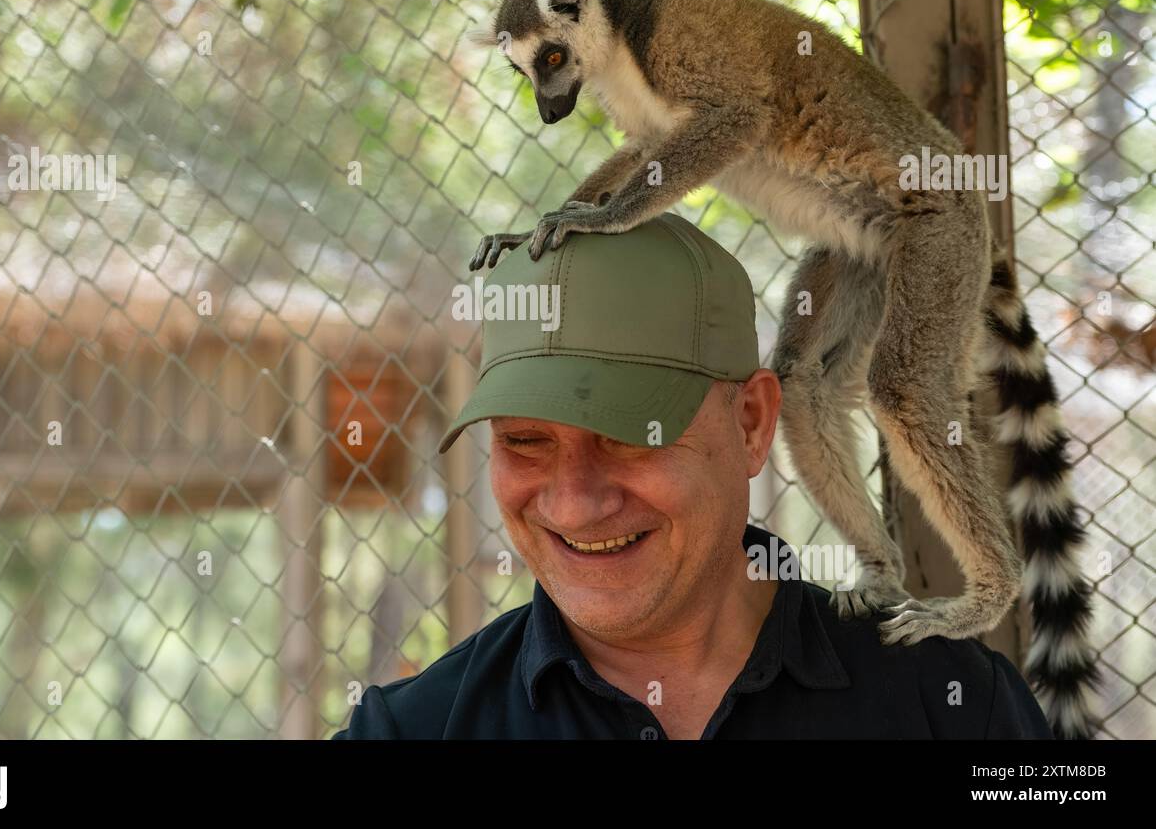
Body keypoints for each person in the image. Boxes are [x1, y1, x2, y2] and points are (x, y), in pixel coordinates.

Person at [332, 213, 1052, 739]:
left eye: (627, 437)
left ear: (751, 423)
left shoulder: (950, 703)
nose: (575, 503)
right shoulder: (413, 729)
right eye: (525, 441)